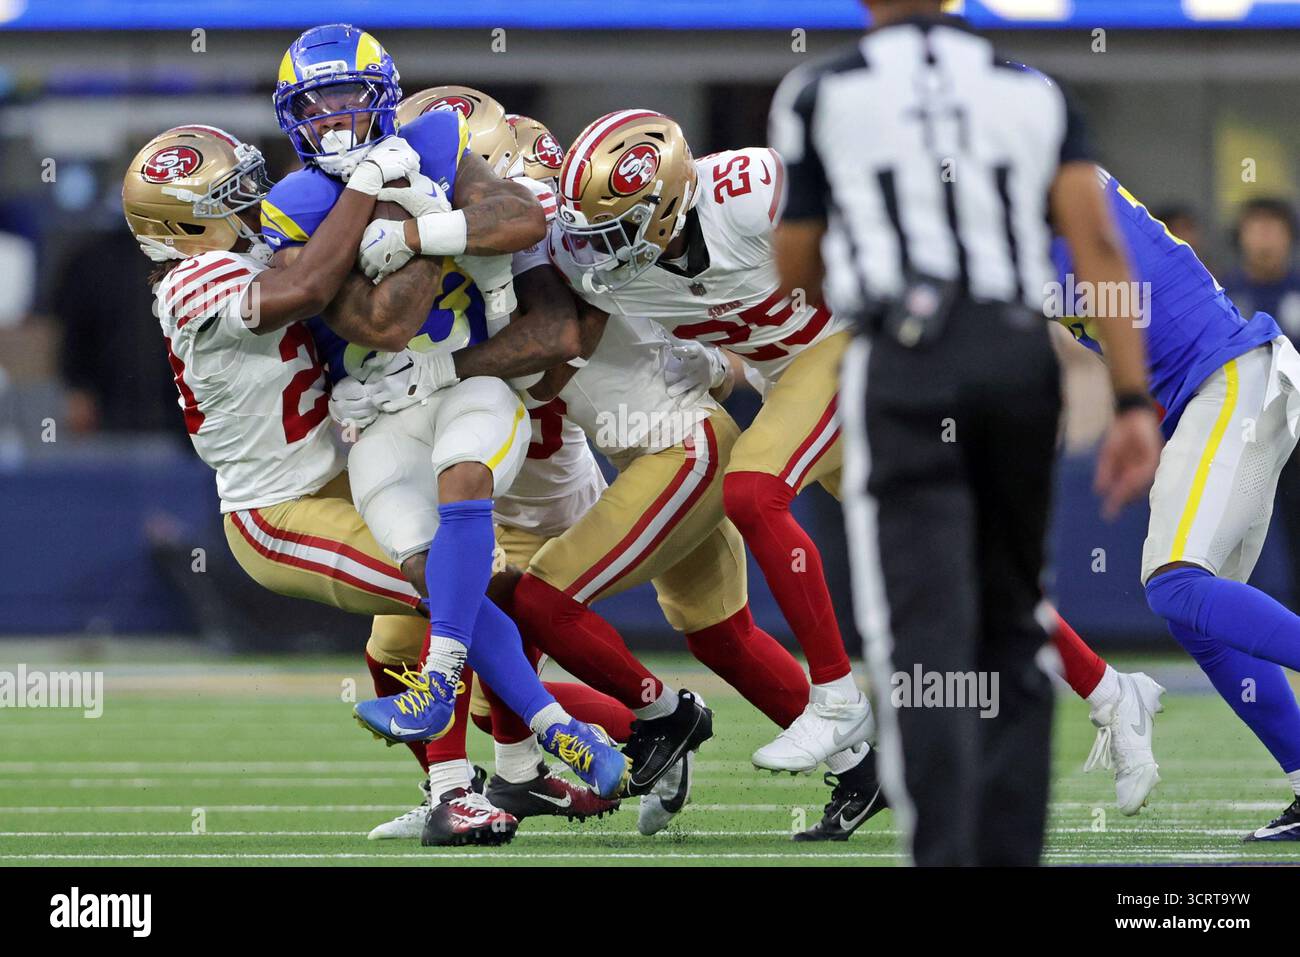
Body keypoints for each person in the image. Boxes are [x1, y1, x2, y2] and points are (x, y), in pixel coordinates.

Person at [770, 0, 1159, 865]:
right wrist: (1133, 401)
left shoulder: (819, 89)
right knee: (1011, 621)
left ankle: (945, 853)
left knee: (924, 635)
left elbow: (794, 264)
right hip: (1018, 356)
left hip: (906, 360)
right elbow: (1095, 244)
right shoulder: (1030, 91)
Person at [548, 108, 878, 797]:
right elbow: (716, 345)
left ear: (665, 204)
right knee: (720, 633)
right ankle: (865, 766)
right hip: (763, 396)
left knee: (542, 600)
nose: (593, 251)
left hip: (831, 369)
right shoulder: (608, 263)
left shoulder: (749, 188)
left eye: (611, 231)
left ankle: (668, 722)